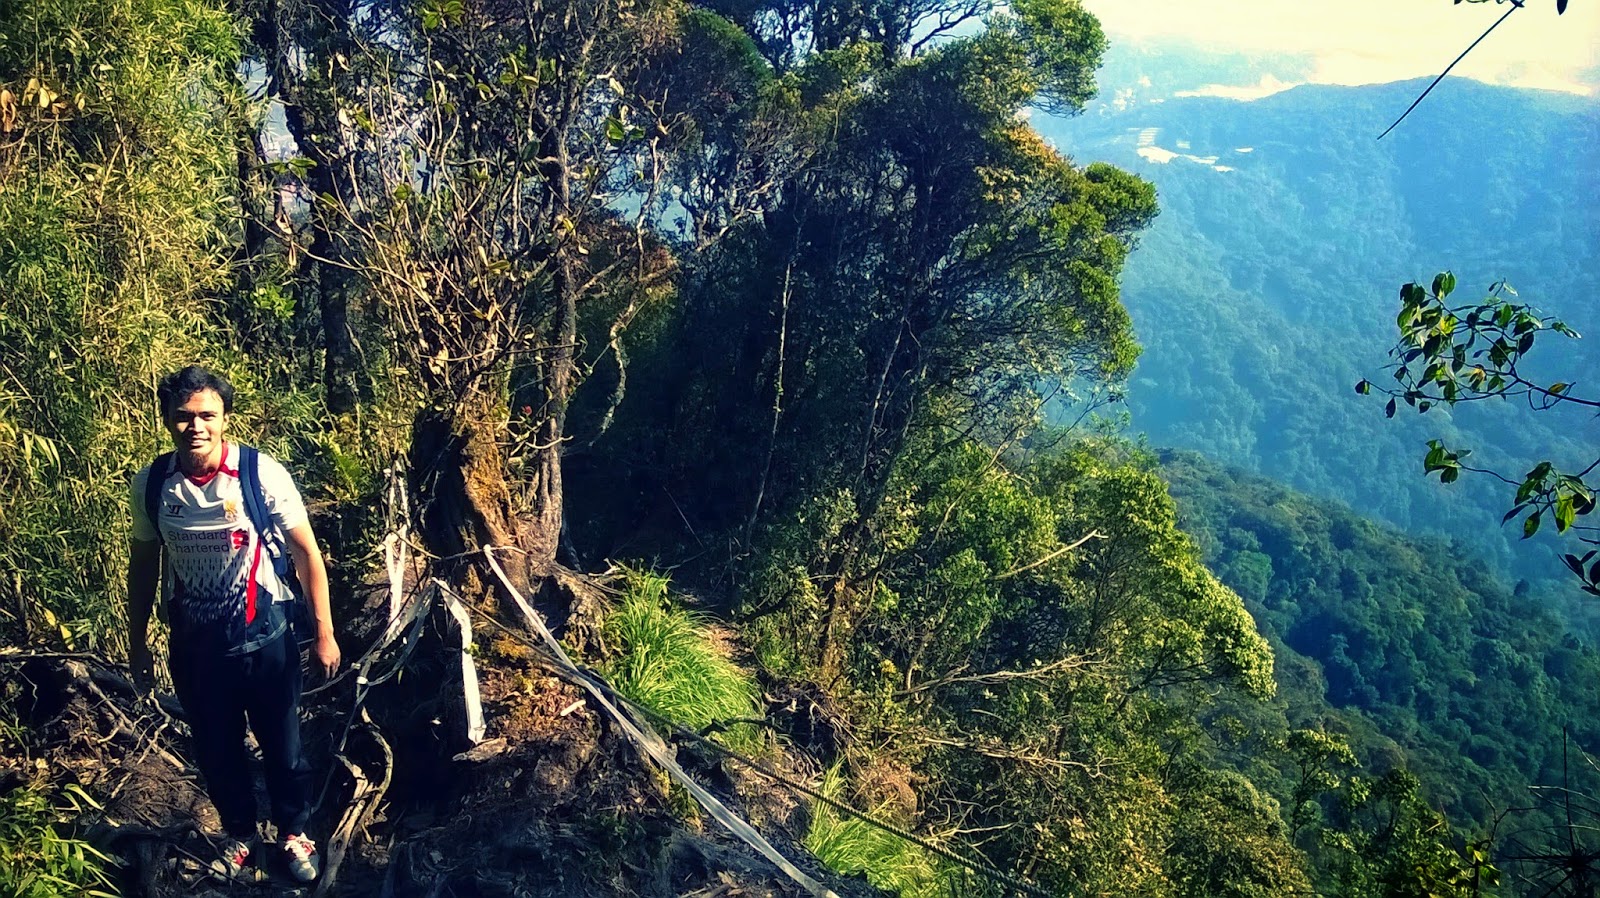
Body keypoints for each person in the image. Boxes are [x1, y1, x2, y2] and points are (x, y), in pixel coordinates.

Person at [126, 366, 342, 883]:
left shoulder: (259, 474)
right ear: (167, 420)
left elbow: (306, 553)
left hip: (267, 642)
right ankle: (241, 836)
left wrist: (324, 632)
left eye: (207, 415)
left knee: (284, 748)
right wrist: (137, 644)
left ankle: (295, 834)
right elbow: (143, 565)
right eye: (184, 416)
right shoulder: (152, 484)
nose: (196, 426)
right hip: (196, 651)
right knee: (218, 752)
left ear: (225, 418)